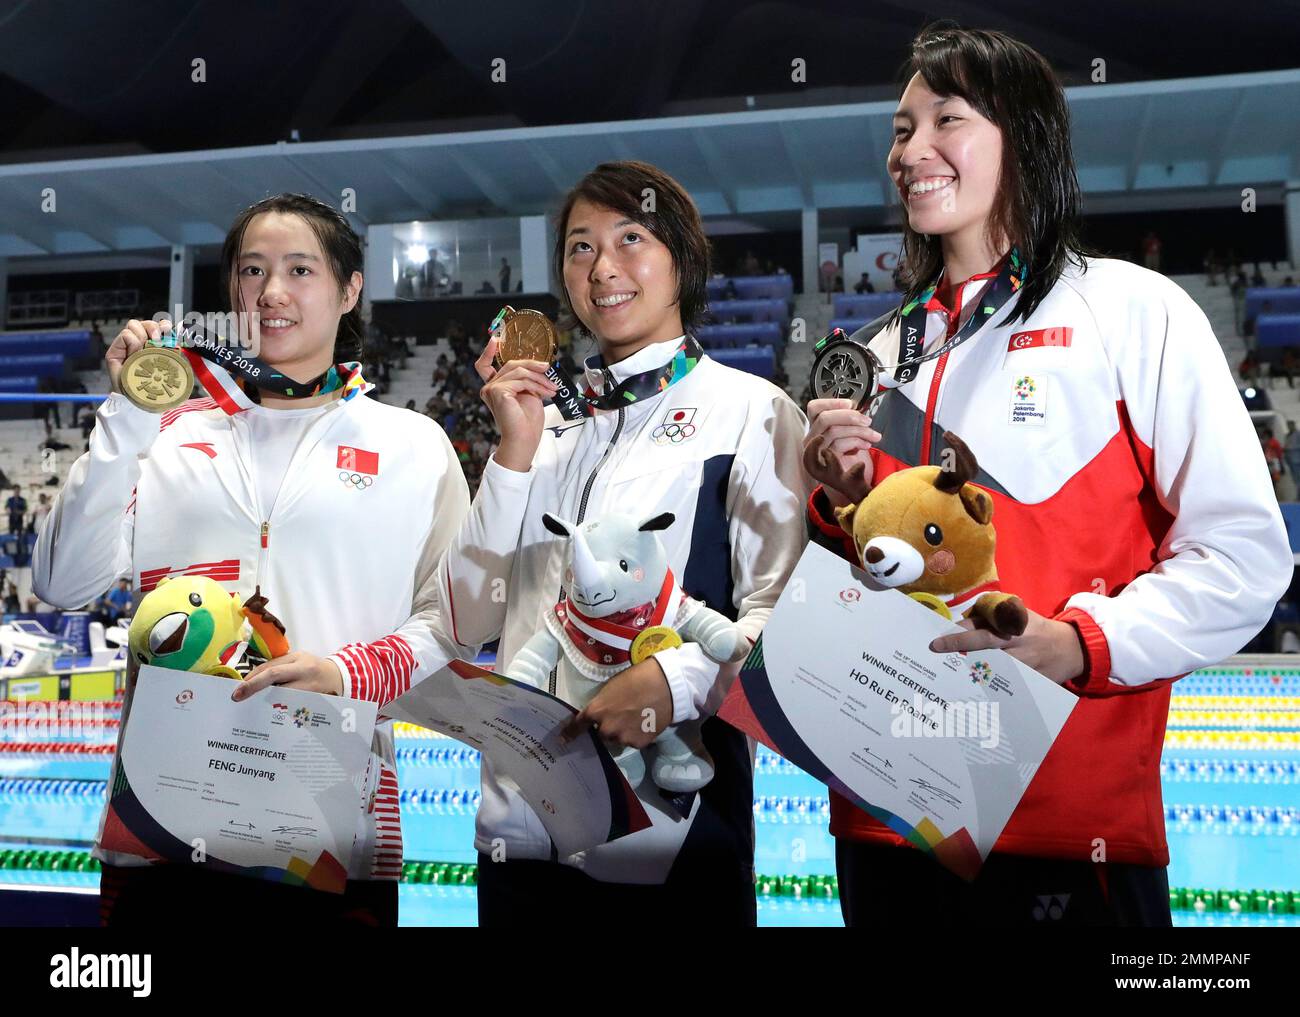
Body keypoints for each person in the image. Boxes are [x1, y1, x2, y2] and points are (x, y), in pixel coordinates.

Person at [802, 23, 1290, 928]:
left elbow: (1243, 559)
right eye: (901, 129)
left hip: (1064, 829)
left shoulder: (1132, 310)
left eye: (946, 119)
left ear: (1024, 137)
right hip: (885, 825)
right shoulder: (872, 353)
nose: (910, 151)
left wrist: (1079, 641)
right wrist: (834, 508)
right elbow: (846, 593)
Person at [32, 192, 489, 927]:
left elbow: (458, 622)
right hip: (163, 825)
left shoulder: (412, 445)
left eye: (300, 269)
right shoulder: (168, 432)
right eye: (252, 271)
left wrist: (346, 673)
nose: (272, 292)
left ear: (349, 290)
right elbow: (61, 582)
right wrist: (126, 416)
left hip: (333, 830)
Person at [453, 160, 809, 927]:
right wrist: (512, 452)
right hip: (516, 838)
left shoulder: (751, 413)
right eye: (580, 248)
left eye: (631, 238)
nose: (603, 267)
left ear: (682, 258)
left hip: (672, 841)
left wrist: (674, 682)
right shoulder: (544, 427)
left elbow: (785, 618)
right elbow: (471, 617)